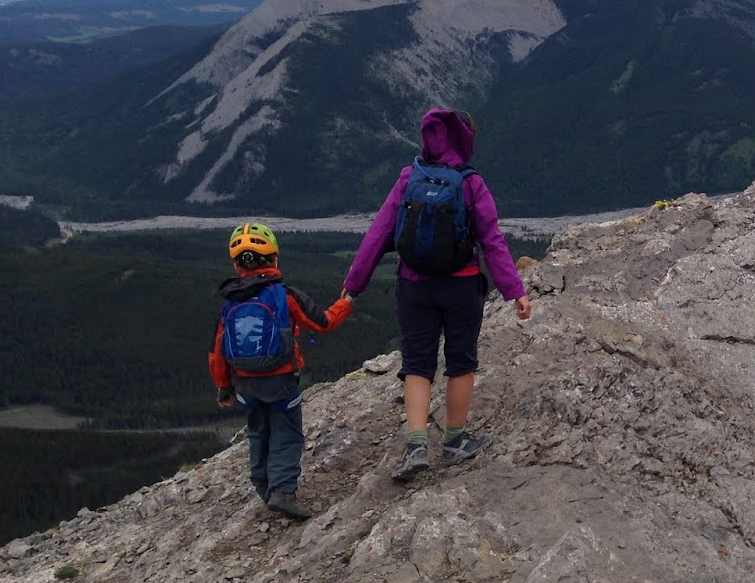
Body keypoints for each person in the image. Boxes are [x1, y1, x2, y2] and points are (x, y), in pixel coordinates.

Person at [342, 108, 531, 483]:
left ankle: (415, 445)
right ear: (465, 140)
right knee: (461, 362)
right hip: (461, 286)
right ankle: (456, 441)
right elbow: (492, 241)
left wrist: (354, 284)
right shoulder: (471, 183)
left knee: (417, 364)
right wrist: (515, 292)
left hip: (414, 285)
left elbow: (379, 234)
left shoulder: (408, 177)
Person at [210, 222, 354, 520]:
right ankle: (283, 492)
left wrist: (224, 386)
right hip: (281, 380)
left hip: (245, 384)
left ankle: (262, 483)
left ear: (237, 266)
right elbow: (323, 322)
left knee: (258, 431)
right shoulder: (285, 295)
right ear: (274, 259)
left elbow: (218, 351)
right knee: (287, 434)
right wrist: (346, 302)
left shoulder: (228, 304)